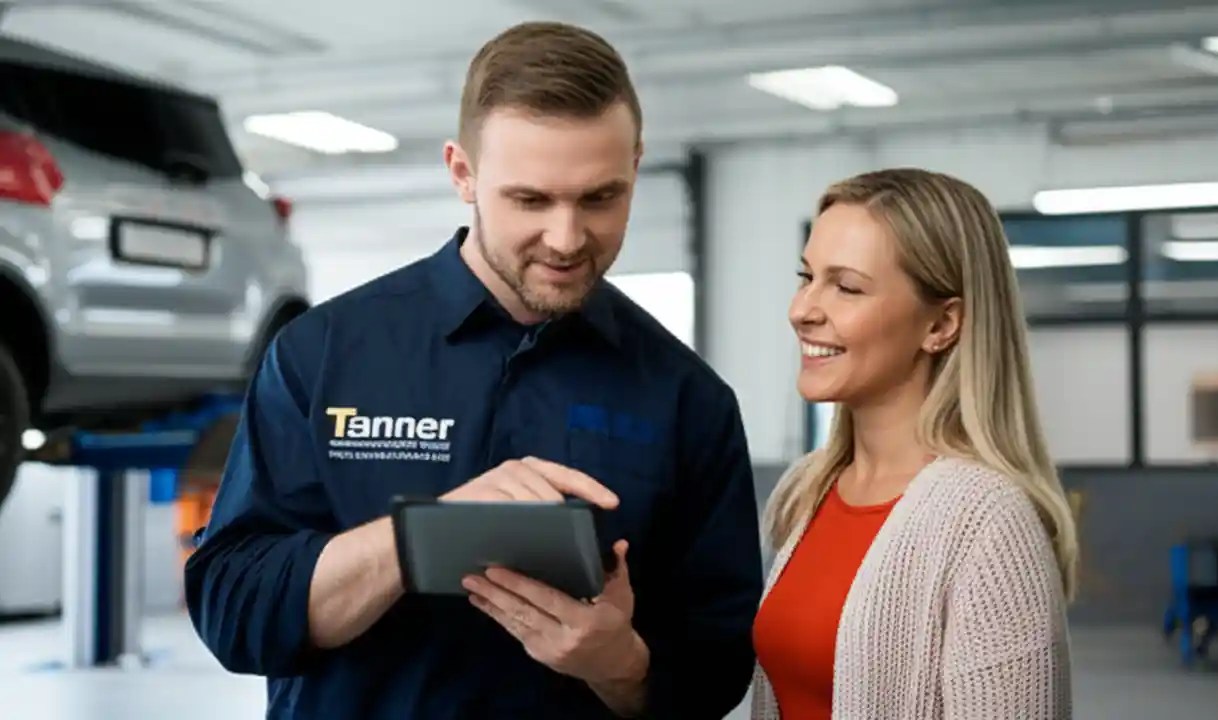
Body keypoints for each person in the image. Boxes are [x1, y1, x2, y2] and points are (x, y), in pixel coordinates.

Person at [184, 20, 763, 720]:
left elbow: (718, 668)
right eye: (531, 200)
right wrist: (427, 534)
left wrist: (622, 665)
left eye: (600, 198)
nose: (567, 238)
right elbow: (234, 612)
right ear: (463, 173)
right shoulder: (324, 353)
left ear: (635, 167)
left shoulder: (687, 398)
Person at [750, 168, 1076, 719]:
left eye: (846, 287)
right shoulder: (806, 492)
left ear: (942, 325)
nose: (802, 308)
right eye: (807, 276)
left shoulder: (988, 524)